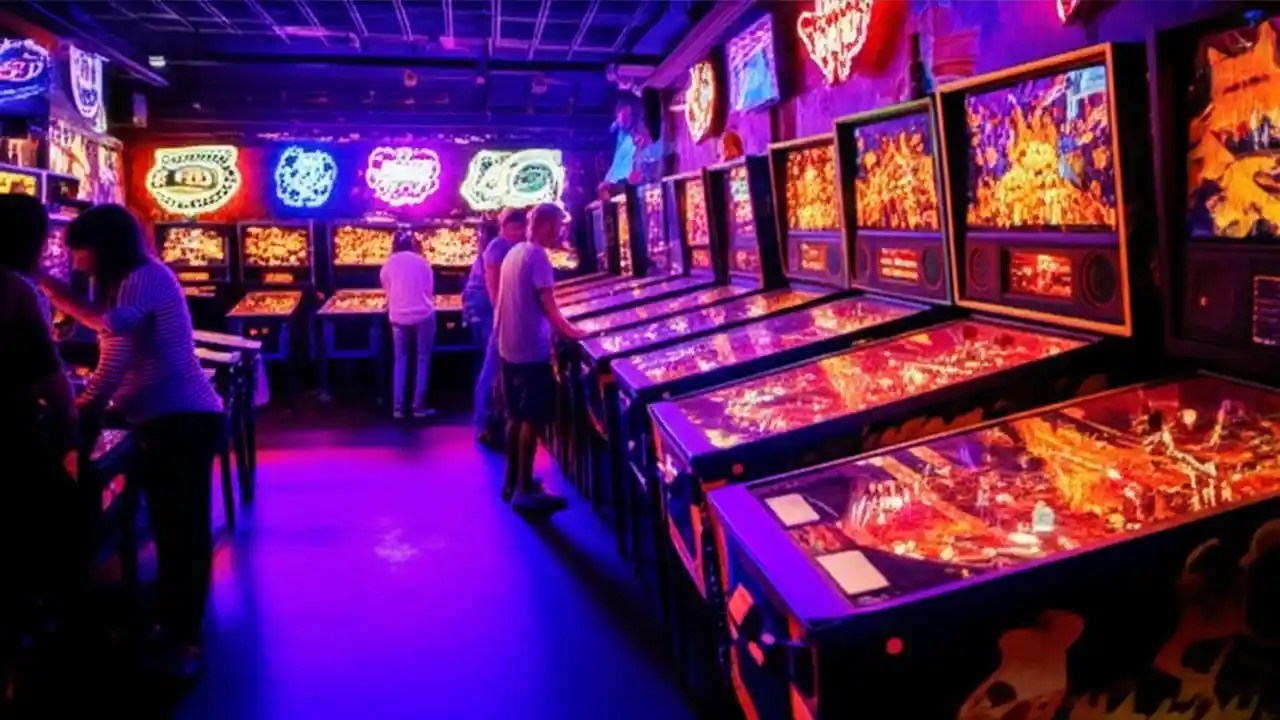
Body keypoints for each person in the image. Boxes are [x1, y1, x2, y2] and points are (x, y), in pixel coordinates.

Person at [38, 203, 224, 682]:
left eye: (77, 250)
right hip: (174, 419)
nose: (74, 260)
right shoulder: (138, 278)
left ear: (102, 247)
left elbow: (115, 341)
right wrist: (44, 283)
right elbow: (108, 323)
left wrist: (84, 405)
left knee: (181, 534)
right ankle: (172, 629)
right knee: (174, 529)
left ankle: (181, 640)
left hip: (181, 421)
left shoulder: (140, 278)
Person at [0, 194, 77, 709]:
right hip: (12, 435)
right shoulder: (16, 292)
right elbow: (52, 380)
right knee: (42, 532)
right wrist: (74, 425)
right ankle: (43, 638)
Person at [494, 203, 585, 512]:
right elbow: (549, 305)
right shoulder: (538, 256)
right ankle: (523, 492)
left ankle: (511, 483)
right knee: (530, 419)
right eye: (558, 226)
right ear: (547, 224)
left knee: (515, 416)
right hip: (530, 349)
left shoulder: (514, 253)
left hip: (508, 347)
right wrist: (574, 333)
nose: (560, 232)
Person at [465, 208, 528, 446]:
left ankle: (495, 420)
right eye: (512, 229)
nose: (516, 233)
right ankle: (484, 423)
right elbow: (493, 289)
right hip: (489, 310)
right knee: (491, 366)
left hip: (493, 309)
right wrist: (504, 317)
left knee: (495, 367)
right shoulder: (497, 247)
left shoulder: (510, 246)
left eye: (519, 229)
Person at [380, 229, 436, 420]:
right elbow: (429, 291)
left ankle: (398, 408)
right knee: (422, 359)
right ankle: (418, 407)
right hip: (423, 315)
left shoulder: (388, 264)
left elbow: (387, 290)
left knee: (401, 360)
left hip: (397, 316)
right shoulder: (423, 263)